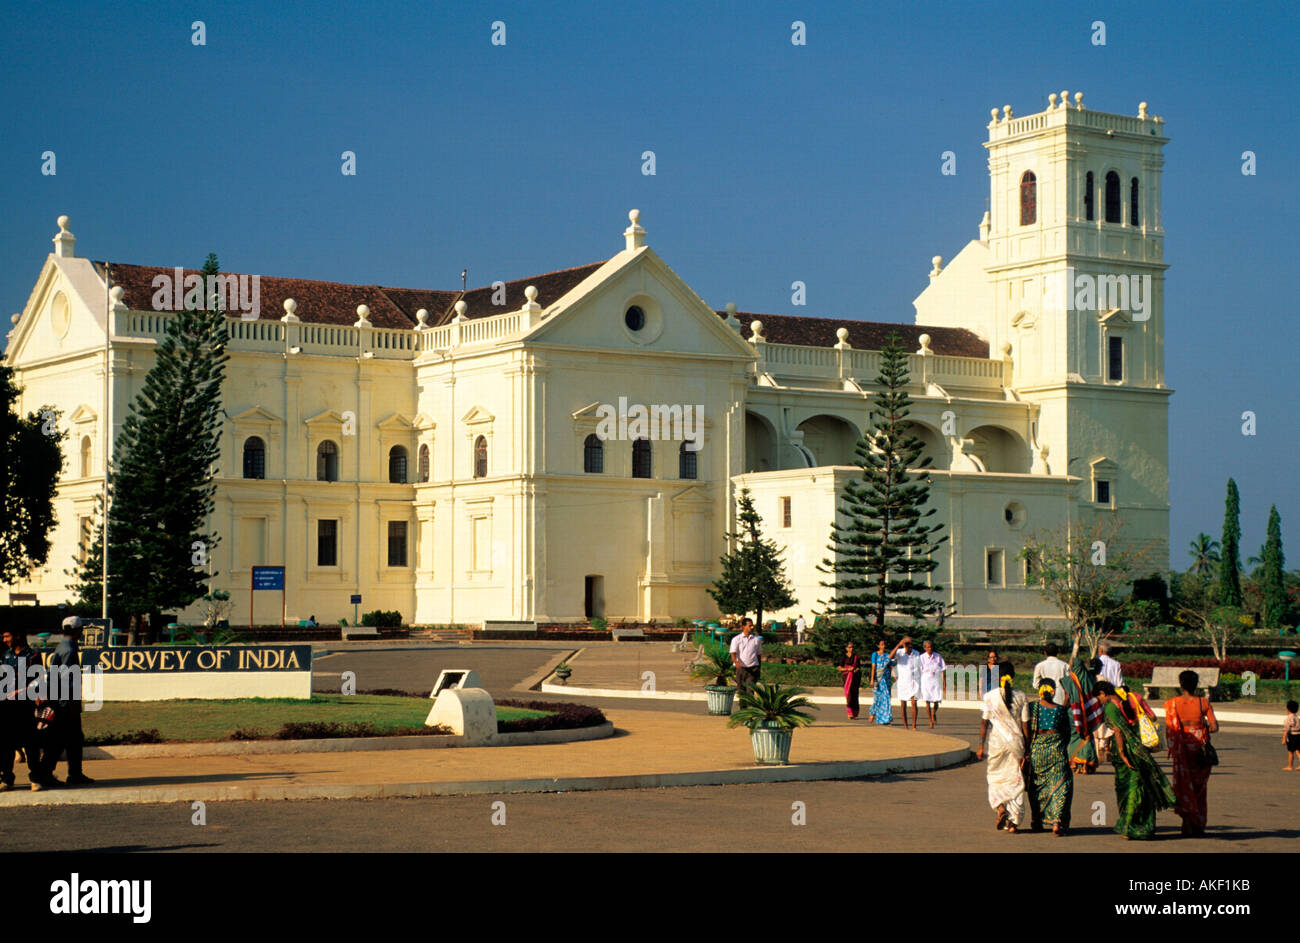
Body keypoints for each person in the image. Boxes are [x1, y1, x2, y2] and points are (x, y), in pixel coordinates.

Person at [1096, 680, 1174, 840]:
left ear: (1103, 693)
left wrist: (1122, 754)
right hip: (1140, 748)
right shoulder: (1133, 698)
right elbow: (1150, 716)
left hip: (1126, 751)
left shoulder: (1110, 707)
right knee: (1142, 787)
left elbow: (1118, 731)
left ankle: (1129, 826)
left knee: (1129, 789)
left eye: (1098, 698)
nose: (1099, 701)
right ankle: (1145, 826)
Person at [40, 616, 94, 788]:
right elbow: (68, 680)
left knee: (73, 739)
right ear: (78, 630)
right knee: (60, 740)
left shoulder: (63, 646)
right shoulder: (69, 650)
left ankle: (73, 774)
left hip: (59, 700)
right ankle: (46, 774)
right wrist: (71, 705)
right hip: (64, 703)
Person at [976, 661, 1030, 833]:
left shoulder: (989, 696)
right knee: (1015, 780)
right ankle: (1013, 822)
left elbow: (984, 723)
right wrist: (1027, 749)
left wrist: (980, 746)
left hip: (996, 744)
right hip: (1016, 744)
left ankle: (1000, 806)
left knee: (996, 778)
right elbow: (1025, 726)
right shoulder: (1021, 696)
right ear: (1013, 676)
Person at [1164, 669, 1218, 836]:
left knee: (1183, 786)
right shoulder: (1203, 703)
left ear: (1181, 684)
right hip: (1200, 750)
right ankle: (1198, 823)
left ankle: (1186, 821)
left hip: (1182, 750)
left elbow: (1170, 729)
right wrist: (1202, 728)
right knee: (1199, 787)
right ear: (1196, 684)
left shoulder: (1172, 703)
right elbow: (1214, 727)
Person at [1, 629, 48, 791]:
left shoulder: (33, 656)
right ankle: (7, 779)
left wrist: (21, 691)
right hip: (7, 706)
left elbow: (39, 681)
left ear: (18, 636)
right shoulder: (5, 656)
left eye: (7, 636)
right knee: (6, 744)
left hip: (25, 706)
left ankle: (35, 778)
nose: (4, 639)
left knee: (30, 744)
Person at [1027, 678, 1073, 836]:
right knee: (1061, 785)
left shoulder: (1032, 707)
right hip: (1057, 751)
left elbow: (1025, 730)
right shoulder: (1061, 710)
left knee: (1037, 788)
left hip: (1037, 752)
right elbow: (1067, 734)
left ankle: (1037, 820)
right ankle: (1056, 822)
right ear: (1053, 691)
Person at [1059, 655, 1101, 774]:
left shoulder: (1069, 680)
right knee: (1087, 735)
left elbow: (1068, 697)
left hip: (1074, 712)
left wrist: (1062, 709)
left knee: (1075, 736)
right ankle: (1086, 763)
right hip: (1087, 712)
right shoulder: (1090, 678)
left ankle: (1075, 762)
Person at [891, 637, 922, 730]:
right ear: (904, 644)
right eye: (907, 643)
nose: (909, 645)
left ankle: (914, 725)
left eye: (910, 643)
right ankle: (905, 726)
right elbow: (890, 657)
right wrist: (898, 645)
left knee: (914, 703)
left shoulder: (916, 653)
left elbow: (919, 667)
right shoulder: (899, 652)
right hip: (903, 682)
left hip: (914, 682)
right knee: (903, 704)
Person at [729, 618, 761, 697]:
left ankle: (750, 705)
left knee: (750, 691)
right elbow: (733, 653)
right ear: (743, 626)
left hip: (753, 669)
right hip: (741, 669)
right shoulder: (736, 639)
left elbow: (758, 655)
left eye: (752, 625)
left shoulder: (756, 640)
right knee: (741, 691)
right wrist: (736, 662)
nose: (752, 627)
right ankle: (742, 705)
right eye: (750, 625)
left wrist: (759, 668)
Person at [918, 639, 946, 728]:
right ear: (924, 648)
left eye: (931, 647)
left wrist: (944, 682)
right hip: (925, 680)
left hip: (936, 680)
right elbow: (919, 671)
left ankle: (933, 713)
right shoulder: (921, 657)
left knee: (937, 700)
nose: (929, 649)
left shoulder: (938, 656)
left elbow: (943, 669)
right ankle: (930, 720)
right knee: (927, 700)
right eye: (928, 647)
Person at [868, 639, 893, 725]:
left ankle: (885, 719)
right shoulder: (875, 654)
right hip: (878, 679)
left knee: (886, 698)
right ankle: (872, 712)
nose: (883, 646)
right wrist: (872, 679)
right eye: (881, 644)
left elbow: (891, 666)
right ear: (878, 646)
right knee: (877, 698)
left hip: (886, 679)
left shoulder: (887, 655)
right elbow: (873, 667)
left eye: (884, 644)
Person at [837, 642, 862, 719]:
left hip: (855, 678)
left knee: (855, 694)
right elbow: (839, 668)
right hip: (847, 677)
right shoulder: (843, 657)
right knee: (849, 694)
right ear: (846, 648)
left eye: (852, 647)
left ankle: (855, 712)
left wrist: (855, 670)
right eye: (850, 647)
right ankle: (849, 712)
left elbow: (858, 667)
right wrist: (848, 669)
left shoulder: (856, 657)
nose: (851, 649)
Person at [1284, 700, 1300, 771]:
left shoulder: (1288, 718)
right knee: (1298, 751)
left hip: (1292, 736)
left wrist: (1284, 739)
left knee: (1290, 752)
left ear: (1288, 709)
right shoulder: (1297, 718)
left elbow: (1286, 729)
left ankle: (1290, 766)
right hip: (1299, 735)